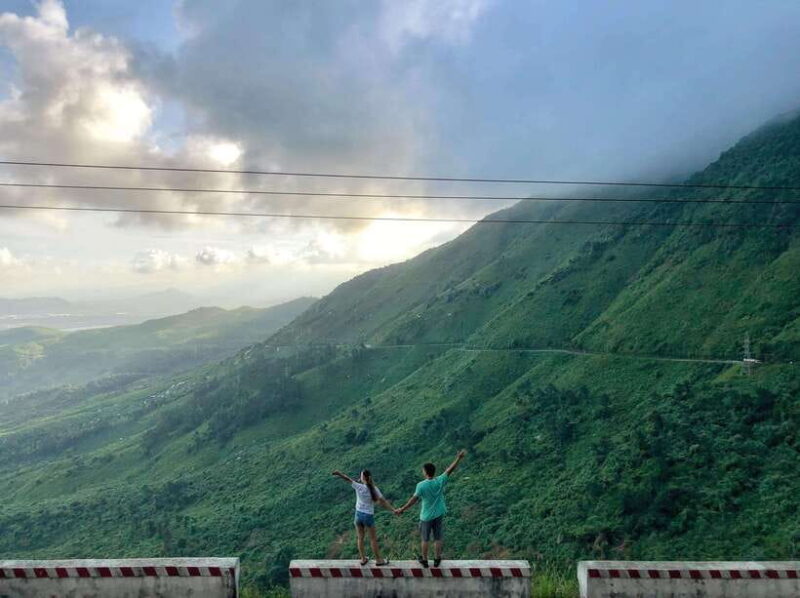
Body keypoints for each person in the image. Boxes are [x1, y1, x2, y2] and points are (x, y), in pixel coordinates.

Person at [394, 449, 466, 568]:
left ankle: (425, 560)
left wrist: (402, 509)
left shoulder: (421, 485)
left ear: (425, 472)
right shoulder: (440, 480)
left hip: (426, 516)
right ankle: (437, 559)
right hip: (439, 514)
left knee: (425, 539)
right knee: (438, 537)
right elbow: (450, 470)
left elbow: (413, 500)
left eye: (423, 470)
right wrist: (458, 458)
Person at [332, 469, 394, 566]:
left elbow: (347, 478)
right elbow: (383, 502)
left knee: (360, 538)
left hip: (358, 515)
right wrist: (394, 510)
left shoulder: (358, 486)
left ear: (363, 478)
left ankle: (363, 559)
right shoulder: (374, 489)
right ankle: (379, 560)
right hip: (368, 515)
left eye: (361, 475)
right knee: (372, 539)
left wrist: (338, 473)